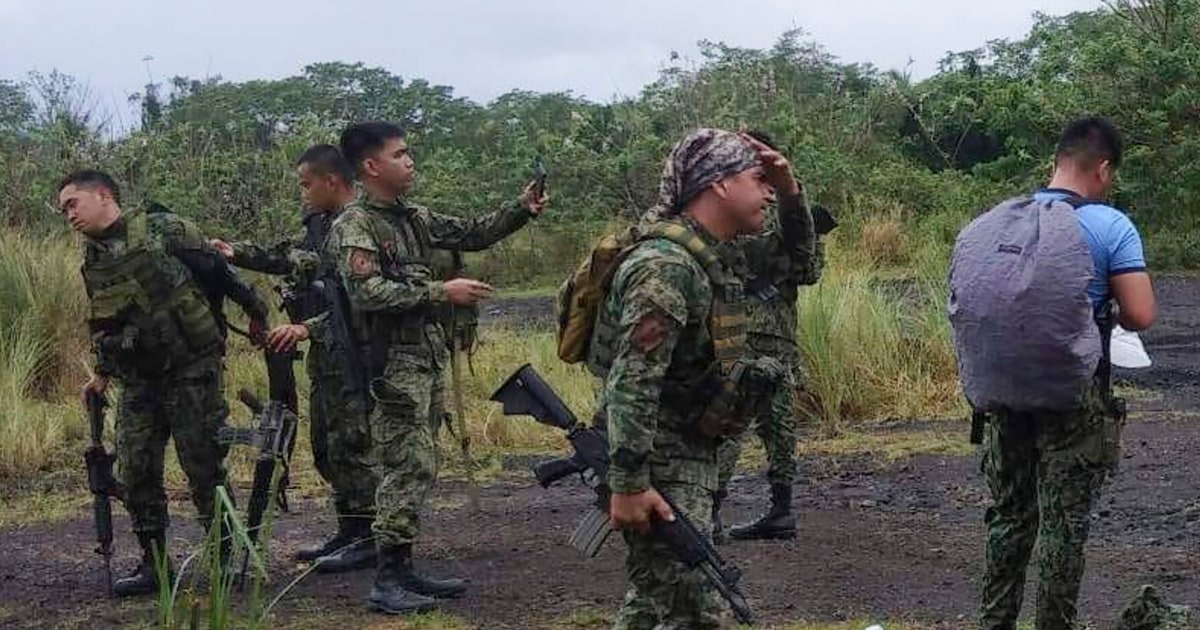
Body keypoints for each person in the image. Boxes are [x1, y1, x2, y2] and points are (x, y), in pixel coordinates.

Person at [329, 121, 548, 614]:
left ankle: (403, 569)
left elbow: (470, 233)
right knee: (406, 466)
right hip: (391, 365)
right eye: (401, 154)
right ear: (371, 166)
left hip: (422, 357)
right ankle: (387, 579)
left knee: (421, 462)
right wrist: (439, 293)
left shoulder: (412, 217)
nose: (410, 162)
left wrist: (521, 210)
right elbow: (366, 293)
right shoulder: (355, 226)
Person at [594, 128, 795, 629]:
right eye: (758, 179)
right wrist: (629, 484)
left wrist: (795, 193)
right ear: (719, 185)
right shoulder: (665, 267)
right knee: (703, 612)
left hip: (687, 455)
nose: (769, 191)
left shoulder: (711, 257)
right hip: (661, 466)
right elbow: (633, 381)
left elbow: (801, 260)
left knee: (652, 606)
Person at [965, 117, 1156, 629]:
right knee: (1063, 526)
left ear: (1057, 160)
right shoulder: (1108, 225)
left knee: (1008, 518)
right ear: (1104, 168)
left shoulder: (998, 222)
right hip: (1073, 401)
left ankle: (994, 622)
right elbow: (1140, 315)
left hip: (1004, 399)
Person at [59, 169, 268, 597]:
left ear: (102, 195)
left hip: (192, 368)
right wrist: (101, 374)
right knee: (136, 471)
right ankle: (155, 565)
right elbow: (106, 319)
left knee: (204, 466)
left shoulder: (163, 229)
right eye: (64, 210)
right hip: (139, 378)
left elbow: (218, 272)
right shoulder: (94, 257)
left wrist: (255, 310)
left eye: (72, 204)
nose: (69, 215)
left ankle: (227, 560)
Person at [212, 144, 379, 572]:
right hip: (326, 355)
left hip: (358, 354)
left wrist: (309, 327)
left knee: (354, 444)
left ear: (331, 180)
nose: (303, 193)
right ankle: (350, 528)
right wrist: (236, 252)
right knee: (326, 444)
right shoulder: (318, 226)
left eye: (307, 184)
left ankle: (371, 535)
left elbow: (359, 302)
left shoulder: (364, 226)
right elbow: (287, 256)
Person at [711, 129, 820, 542]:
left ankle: (723, 509)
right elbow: (807, 270)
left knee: (736, 422)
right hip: (762, 332)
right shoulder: (785, 212)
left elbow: (806, 270)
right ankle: (775, 508)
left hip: (744, 331)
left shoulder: (754, 208)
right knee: (769, 423)